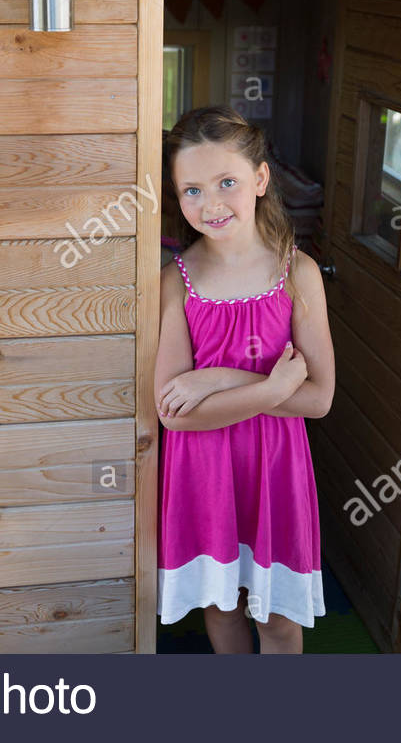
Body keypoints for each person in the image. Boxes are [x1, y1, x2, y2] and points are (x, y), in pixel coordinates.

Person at [154, 105, 335, 654]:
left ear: (259, 180)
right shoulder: (174, 281)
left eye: (226, 182)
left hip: (275, 469)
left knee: (277, 621)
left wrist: (219, 377)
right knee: (222, 610)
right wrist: (272, 388)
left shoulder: (297, 273)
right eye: (191, 190)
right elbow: (172, 410)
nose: (210, 204)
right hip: (203, 470)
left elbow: (320, 398)